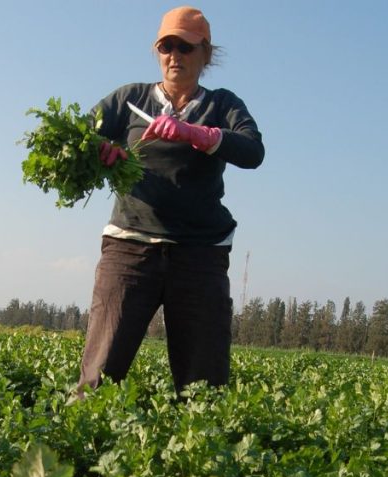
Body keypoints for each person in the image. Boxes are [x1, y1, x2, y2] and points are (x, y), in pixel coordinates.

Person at [77, 6, 264, 395]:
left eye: (186, 47)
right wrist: (101, 148)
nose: (175, 56)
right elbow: (78, 136)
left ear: (206, 54)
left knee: (203, 385)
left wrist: (197, 134)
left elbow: (252, 151)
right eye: (166, 47)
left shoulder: (223, 104)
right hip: (130, 248)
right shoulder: (131, 98)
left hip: (200, 254)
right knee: (99, 374)